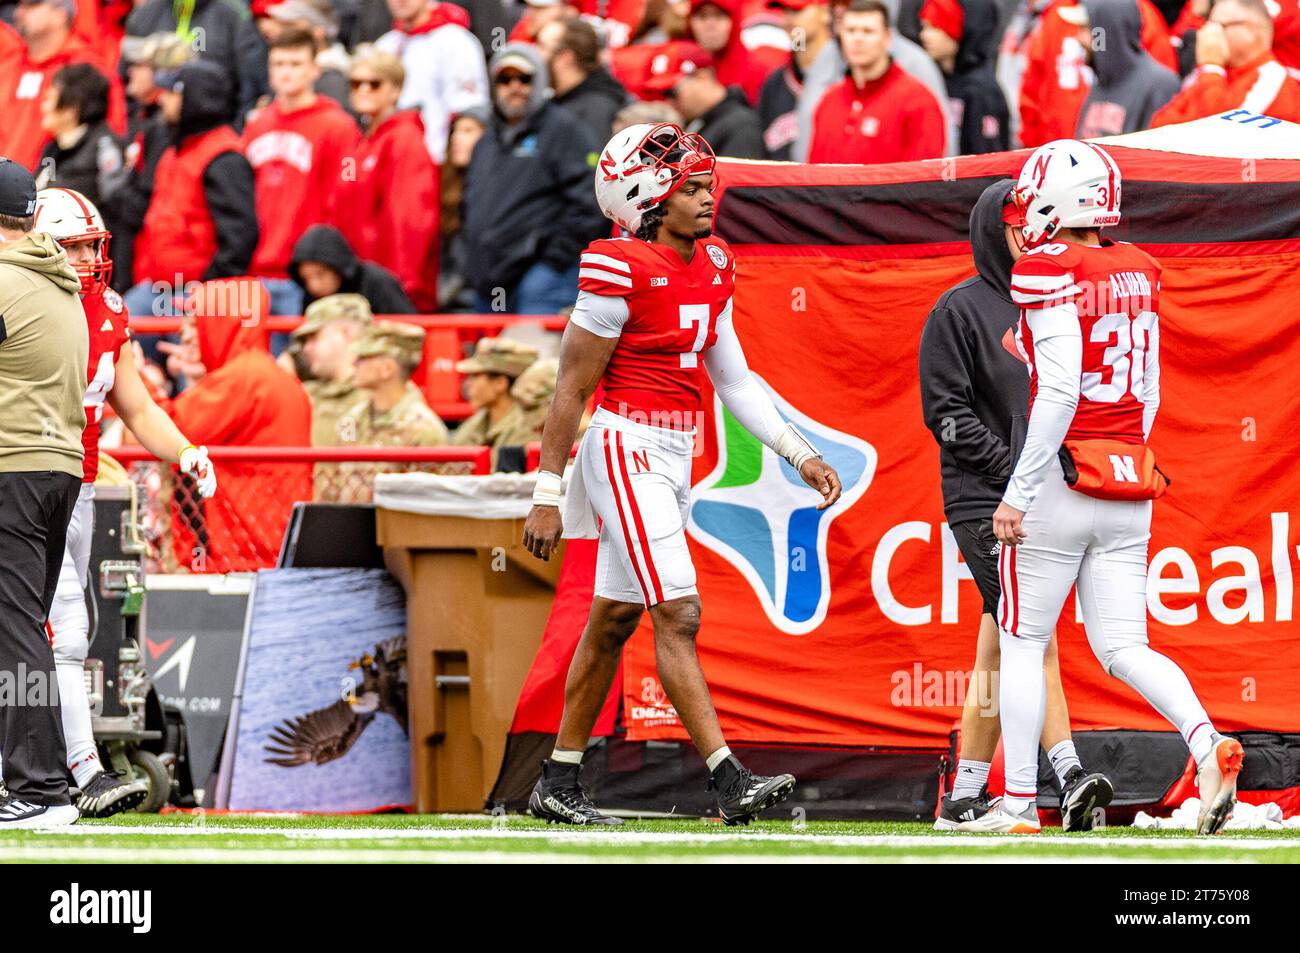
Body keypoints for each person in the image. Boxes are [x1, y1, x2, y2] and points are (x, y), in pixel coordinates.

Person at [521, 123, 842, 825]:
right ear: (646, 198)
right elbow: (570, 390)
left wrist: (799, 450)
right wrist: (546, 493)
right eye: (690, 188)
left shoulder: (715, 263)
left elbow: (736, 378)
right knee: (680, 610)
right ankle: (728, 778)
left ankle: (558, 779)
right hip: (624, 446)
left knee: (612, 619)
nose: (707, 199)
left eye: (707, 185)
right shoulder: (618, 268)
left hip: (674, 456)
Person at [985, 140, 1243, 836]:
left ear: (1057, 199)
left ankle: (1014, 806)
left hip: (1065, 476)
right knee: (1125, 645)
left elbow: (1061, 386)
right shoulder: (1138, 270)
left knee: (1022, 640)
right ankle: (1205, 742)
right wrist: (1127, 451)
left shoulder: (1049, 268)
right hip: (1128, 471)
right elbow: (1151, 386)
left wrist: (1018, 490)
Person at [918, 180, 1112, 832]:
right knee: (1032, 632)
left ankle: (965, 796)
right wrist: (1019, 472)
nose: (1034, 236)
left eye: (1042, 224)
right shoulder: (959, 310)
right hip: (982, 500)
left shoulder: (1058, 300)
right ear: (990, 229)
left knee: (1001, 642)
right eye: (1017, 226)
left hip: (1040, 498)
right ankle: (1068, 772)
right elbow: (944, 418)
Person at [32, 186, 216, 818]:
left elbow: (134, 404)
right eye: (75, 245)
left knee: (67, 627)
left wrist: (186, 450)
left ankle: (70, 768)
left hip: (73, 482)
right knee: (54, 625)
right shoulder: (21, 298)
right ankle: (79, 768)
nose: (87, 257)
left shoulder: (106, 309)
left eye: (92, 245)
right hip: (25, 478)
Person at [0, 159, 87, 828]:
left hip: (15, 467)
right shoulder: (55, 281)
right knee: (18, 623)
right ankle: (33, 779)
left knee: (14, 626)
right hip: (57, 465)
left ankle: (39, 788)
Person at [159, 279, 312, 572]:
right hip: (264, 544)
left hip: (244, 550)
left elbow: (167, 432)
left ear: (221, 322)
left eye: (197, 323)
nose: (186, 334)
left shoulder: (244, 377)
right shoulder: (259, 372)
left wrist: (133, 381)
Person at [460, 44, 607, 314]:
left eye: (524, 78)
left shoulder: (565, 129)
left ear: (539, 80)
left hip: (542, 281)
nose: (514, 87)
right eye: (505, 79)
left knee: (538, 354)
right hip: (489, 281)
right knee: (489, 356)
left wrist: (554, 261)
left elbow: (590, 200)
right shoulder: (486, 140)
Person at [244, 27, 360, 317]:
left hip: (307, 272)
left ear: (315, 70)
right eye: (279, 64)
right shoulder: (256, 125)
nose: (286, 73)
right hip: (256, 269)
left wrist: (329, 265)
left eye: (295, 64)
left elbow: (348, 194)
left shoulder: (339, 127)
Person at [127, 60, 258, 316]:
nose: (163, 100)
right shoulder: (175, 151)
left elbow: (240, 237)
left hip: (196, 291)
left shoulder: (223, 157)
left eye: (173, 93)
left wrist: (207, 290)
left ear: (195, 99)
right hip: (157, 285)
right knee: (117, 329)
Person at [334, 47, 439, 312]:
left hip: (391, 285)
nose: (364, 89)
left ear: (395, 90)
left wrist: (403, 285)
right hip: (361, 280)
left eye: (374, 83)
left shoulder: (405, 139)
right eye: (356, 83)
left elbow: (410, 217)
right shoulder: (362, 140)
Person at [793, 0, 954, 161]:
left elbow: (927, 176)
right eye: (850, 31)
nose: (858, 39)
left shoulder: (917, 100)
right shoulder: (829, 100)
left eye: (868, 31)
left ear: (887, 37)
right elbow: (814, 172)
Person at [0, 0, 125, 170]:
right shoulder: (7, 68)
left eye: (31, 5)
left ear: (60, 14)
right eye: (20, 5)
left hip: (56, 186)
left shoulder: (86, 71)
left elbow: (111, 136)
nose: (18, 13)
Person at [339, 321, 449, 499]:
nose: (354, 363)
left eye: (364, 357)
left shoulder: (424, 431)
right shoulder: (351, 420)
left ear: (387, 369)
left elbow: (427, 504)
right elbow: (335, 482)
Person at [1152, 0, 1300, 126]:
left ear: (1251, 30)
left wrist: (1211, 67)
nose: (1208, 33)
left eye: (1219, 26)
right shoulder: (1217, 75)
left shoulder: (1270, 79)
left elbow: (1218, 128)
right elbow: (1159, 124)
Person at [374, 0, 489, 163]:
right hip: (388, 160)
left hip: (436, 160)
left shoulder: (456, 41)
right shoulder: (385, 45)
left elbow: (468, 113)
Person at [123, 0, 268, 122]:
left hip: (217, 129)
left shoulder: (233, 14)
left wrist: (236, 131)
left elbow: (252, 86)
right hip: (158, 131)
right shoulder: (144, 16)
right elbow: (126, 83)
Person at [1066, 0, 1180, 138]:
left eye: (1085, 28)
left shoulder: (1160, 85)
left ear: (1105, 33)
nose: (1078, 38)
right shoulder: (1102, 83)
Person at [918, 0, 1009, 154]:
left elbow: (987, 161)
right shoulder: (937, 78)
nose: (924, 36)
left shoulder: (981, 90)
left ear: (956, 31)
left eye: (934, 27)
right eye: (924, 27)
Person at [648, 42, 766, 158]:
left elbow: (737, 176)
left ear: (702, 75)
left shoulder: (741, 125)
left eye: (671, 93)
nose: (668, 102)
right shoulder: (705, 121)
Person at [35, 63, 127, 209]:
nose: (43, 107)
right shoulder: (54, 147)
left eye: (49, 99)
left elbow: (115, 206)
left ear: (71, 110)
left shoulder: (104, 147)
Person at [450, 336, 544, 467]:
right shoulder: (472, 427)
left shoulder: (527, 430)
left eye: (476, 376)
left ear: (500, 383)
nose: (469, 385)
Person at [758, 0, 833, 161]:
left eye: (797, 11)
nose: (788, 20)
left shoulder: (847, 75)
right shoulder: (775, 82)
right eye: (784, 11)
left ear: (825, 12)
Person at [537, 17, 632, 142]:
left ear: (565, 57)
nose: (535, 53)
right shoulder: (565, 100)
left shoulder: (596, 110)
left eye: (542, 46)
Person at [289, 225, 415, 314]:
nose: (314, 285)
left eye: (320, 275)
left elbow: (407, 326)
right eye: (306, 278)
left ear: (337, 268)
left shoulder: (376, 282)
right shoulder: (312, 296)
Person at [685, 0, 788, 105]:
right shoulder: (681, 69)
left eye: (719, 16)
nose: (710, 25)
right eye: (702, 17)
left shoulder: (756, 74)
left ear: (734, 20)